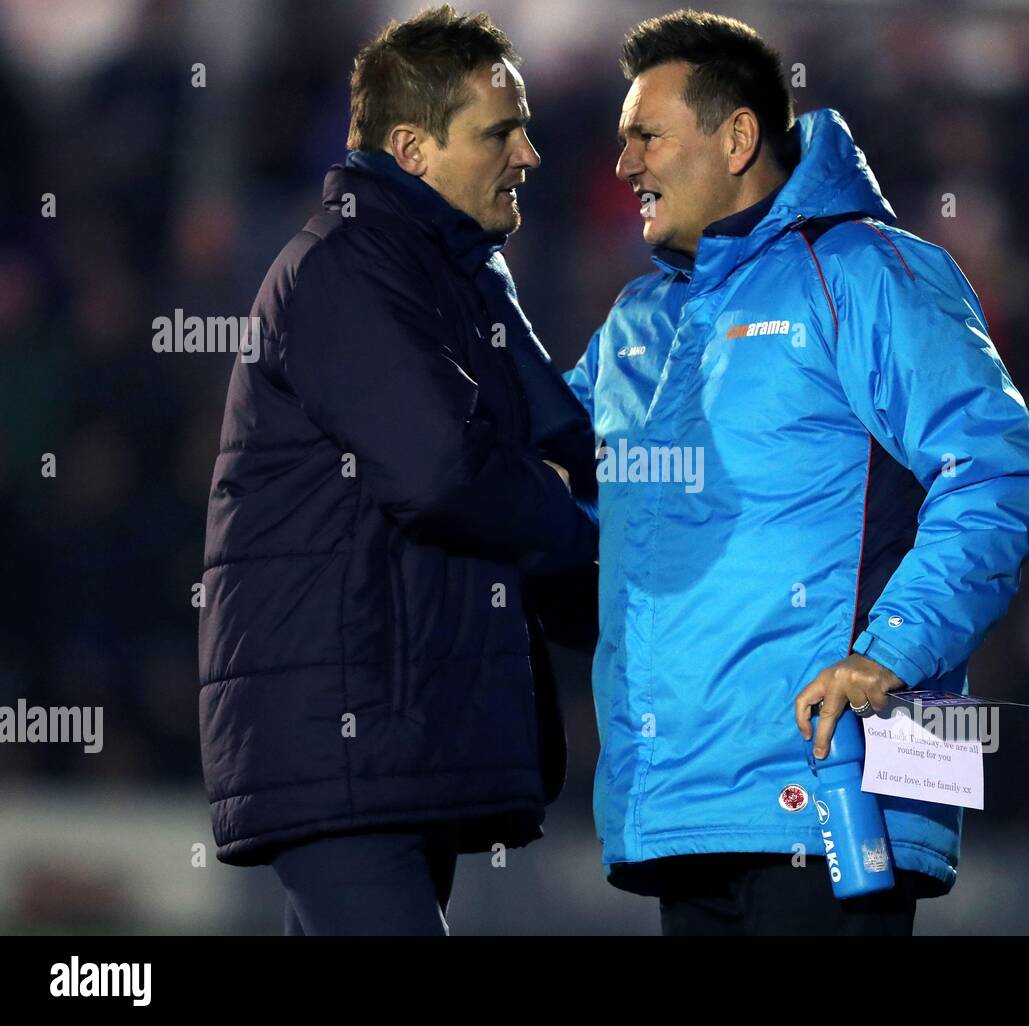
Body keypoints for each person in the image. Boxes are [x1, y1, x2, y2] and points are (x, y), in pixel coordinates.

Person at [564, 10, 1029, 936]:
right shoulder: (637, 324)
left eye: (647, 135)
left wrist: (893, 652)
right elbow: (530, 477)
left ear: (740, 135)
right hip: (684, 812)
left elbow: (1000, 473)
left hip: (835, 793)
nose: (623, 162)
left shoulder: (867, 272)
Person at [197, 5, 595, 936]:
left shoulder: (455, 275)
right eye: (501, 131)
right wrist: (590, 537)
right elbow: (446, 472)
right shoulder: (345, 269)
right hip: (349, 735)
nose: (529, 153)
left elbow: (568, 447)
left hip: (403, 733)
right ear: (412, 149)